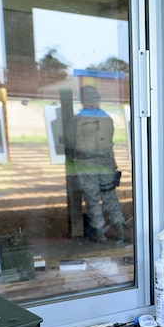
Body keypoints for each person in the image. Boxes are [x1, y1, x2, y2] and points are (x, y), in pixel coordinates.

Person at [64, 85, 125, 243]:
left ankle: (98, 230)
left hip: (85, 163)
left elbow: (70, 142)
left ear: (82, 99)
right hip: (105, 162)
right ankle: (119, 226)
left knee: (92, 198)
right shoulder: (107, 118)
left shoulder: (76, 120)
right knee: (109, 196)